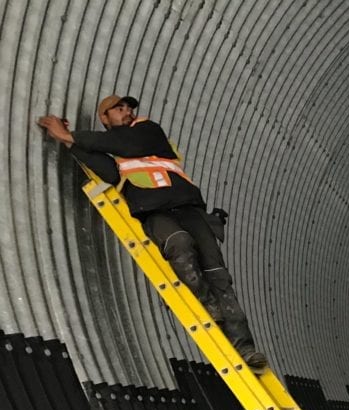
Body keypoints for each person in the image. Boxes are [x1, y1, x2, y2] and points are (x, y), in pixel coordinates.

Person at [37, 95, 267, 369]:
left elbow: (121, 143)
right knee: (177, 244)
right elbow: (105, 169)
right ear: (104, 118)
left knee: (217, 273)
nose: (128, 112)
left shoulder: (147, 131)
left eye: (129, 108)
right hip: (155, 212)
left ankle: (245, 347)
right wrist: (67, 140)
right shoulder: (120, 156)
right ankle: (209, 305)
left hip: (188, 208)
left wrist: (72, 134)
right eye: (119, 109)